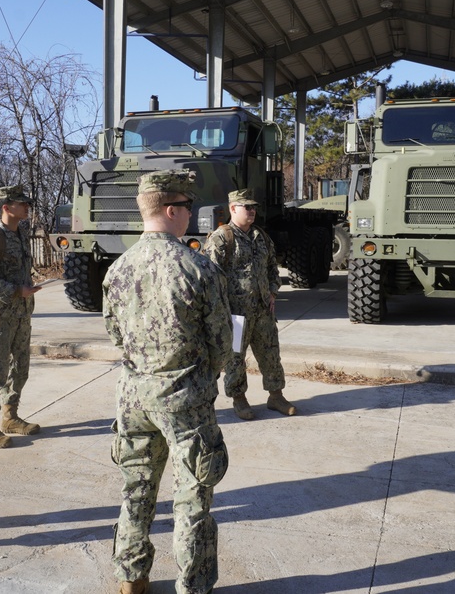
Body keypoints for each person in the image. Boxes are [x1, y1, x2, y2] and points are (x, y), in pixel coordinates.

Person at [102, 169, 232, 594]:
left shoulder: (117, 269)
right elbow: (221, 344)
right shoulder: (198, 268)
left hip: (132, 397)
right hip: (185, 400)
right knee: (193, 498)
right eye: (189, 207)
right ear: (172, 210)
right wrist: (201, 375)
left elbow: (116, 336)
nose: (191, 215)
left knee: (135, 491)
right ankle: (193, 585)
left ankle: (130, 578)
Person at [203, 188, 295, 421]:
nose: (252, 211)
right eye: (247, 207)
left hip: (263, 311)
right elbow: (210, 278)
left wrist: (272, 293)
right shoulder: (221, 238)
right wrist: (221, 311)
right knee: (235, 358)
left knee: (271, 354)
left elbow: (273, 269)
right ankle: (239, 399)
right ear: (233, 208)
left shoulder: (261, 237)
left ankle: (276, 396)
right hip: (235, 315)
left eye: (254, 207)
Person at [0, 184, 43, 449]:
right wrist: (16, 290)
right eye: (21, 203)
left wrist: (28, 288)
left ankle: (10, 417)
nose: (27, 207)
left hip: (21, 314)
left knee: (19, 368)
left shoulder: (21, 234)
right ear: (6, 207)